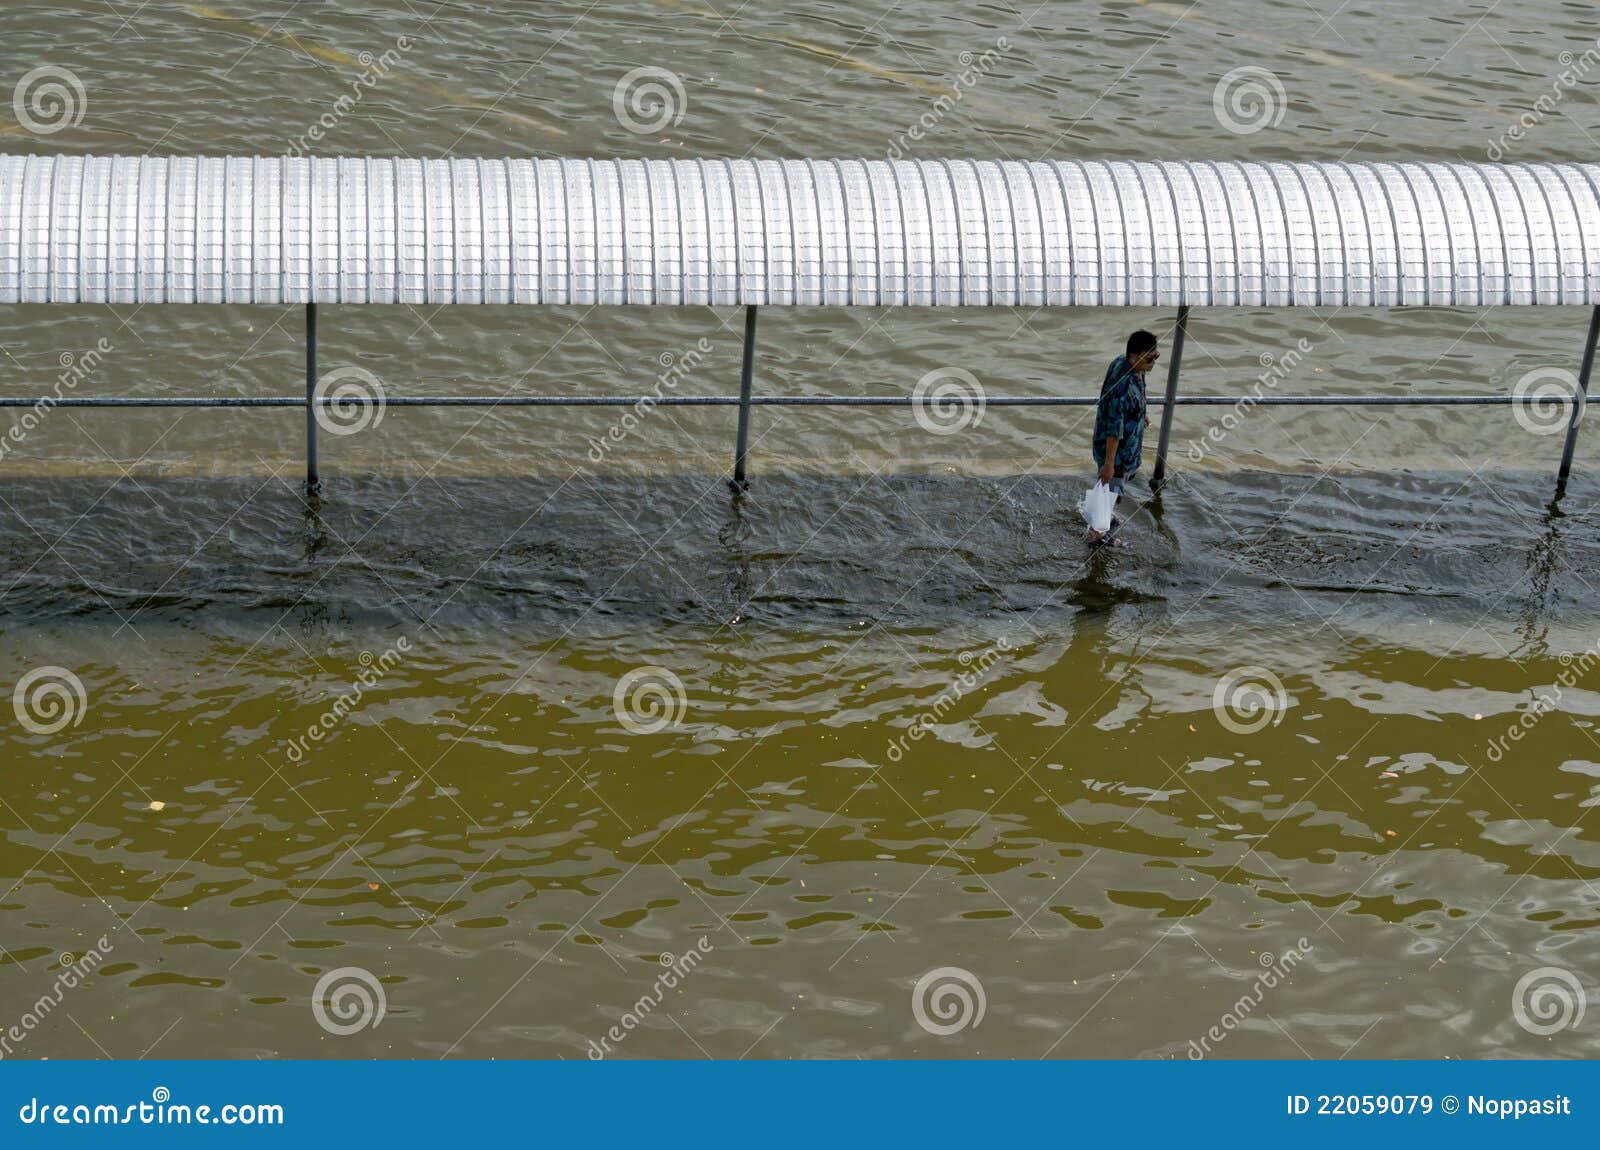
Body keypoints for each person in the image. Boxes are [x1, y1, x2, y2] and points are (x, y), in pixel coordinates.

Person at [1088, 330, 1158, 543]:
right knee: (1111, 485)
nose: (1153, 362)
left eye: (1156, 356)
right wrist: (1109, 464)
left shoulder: (1127, 364)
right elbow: (1114, 429)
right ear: (1134, 357)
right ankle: (1098, 535)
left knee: (1110, 489)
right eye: (1149, 358)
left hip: (1121, 447)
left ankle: (1103, 518)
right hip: (1117, 452)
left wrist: (1140, 412)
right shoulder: (1123, 387)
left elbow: (1137, 394)